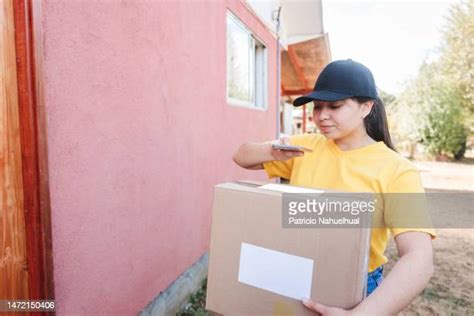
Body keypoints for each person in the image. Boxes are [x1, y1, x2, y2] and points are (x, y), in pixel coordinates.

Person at [232, 59, 436, 315]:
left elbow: (419, 258)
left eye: (335, 106)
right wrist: (272, 150)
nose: (322, 116)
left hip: (354, 287)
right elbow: (241, 157)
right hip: (294, 270)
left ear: (366, 107)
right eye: (317, 107)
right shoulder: (307, 146)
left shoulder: (398, 171)